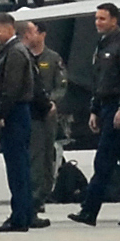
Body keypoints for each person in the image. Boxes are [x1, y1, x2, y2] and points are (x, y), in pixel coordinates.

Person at [68, 3, 120, 227]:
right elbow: (99, 80)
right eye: (96, 18)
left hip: (118, 107)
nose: (98, 23)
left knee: (103, 159)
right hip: (106, 106)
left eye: (102, 19)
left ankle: (89, 210)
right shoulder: (103, 44)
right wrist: (94, 109)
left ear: (114, 20)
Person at [0, 12, 45, 232]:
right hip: (17, 112)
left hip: (16, 113)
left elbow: (11, 89)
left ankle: (19, 217)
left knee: (17, 168)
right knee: (19, 166)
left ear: (11, 30)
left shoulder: (15, 54)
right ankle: (26, 213)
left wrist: (0, 114)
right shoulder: (12, 52)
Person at [24, 18, 68, 212]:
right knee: (30, 156)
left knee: (46, 156)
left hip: (47, 115)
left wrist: (52, 102)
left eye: (31, 32)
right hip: (27, 114)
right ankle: (31, 194)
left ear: (42, 35)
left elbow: (62, 85)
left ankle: (41, 194)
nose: (27, 36)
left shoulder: (52, 58)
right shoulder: (22, 57)